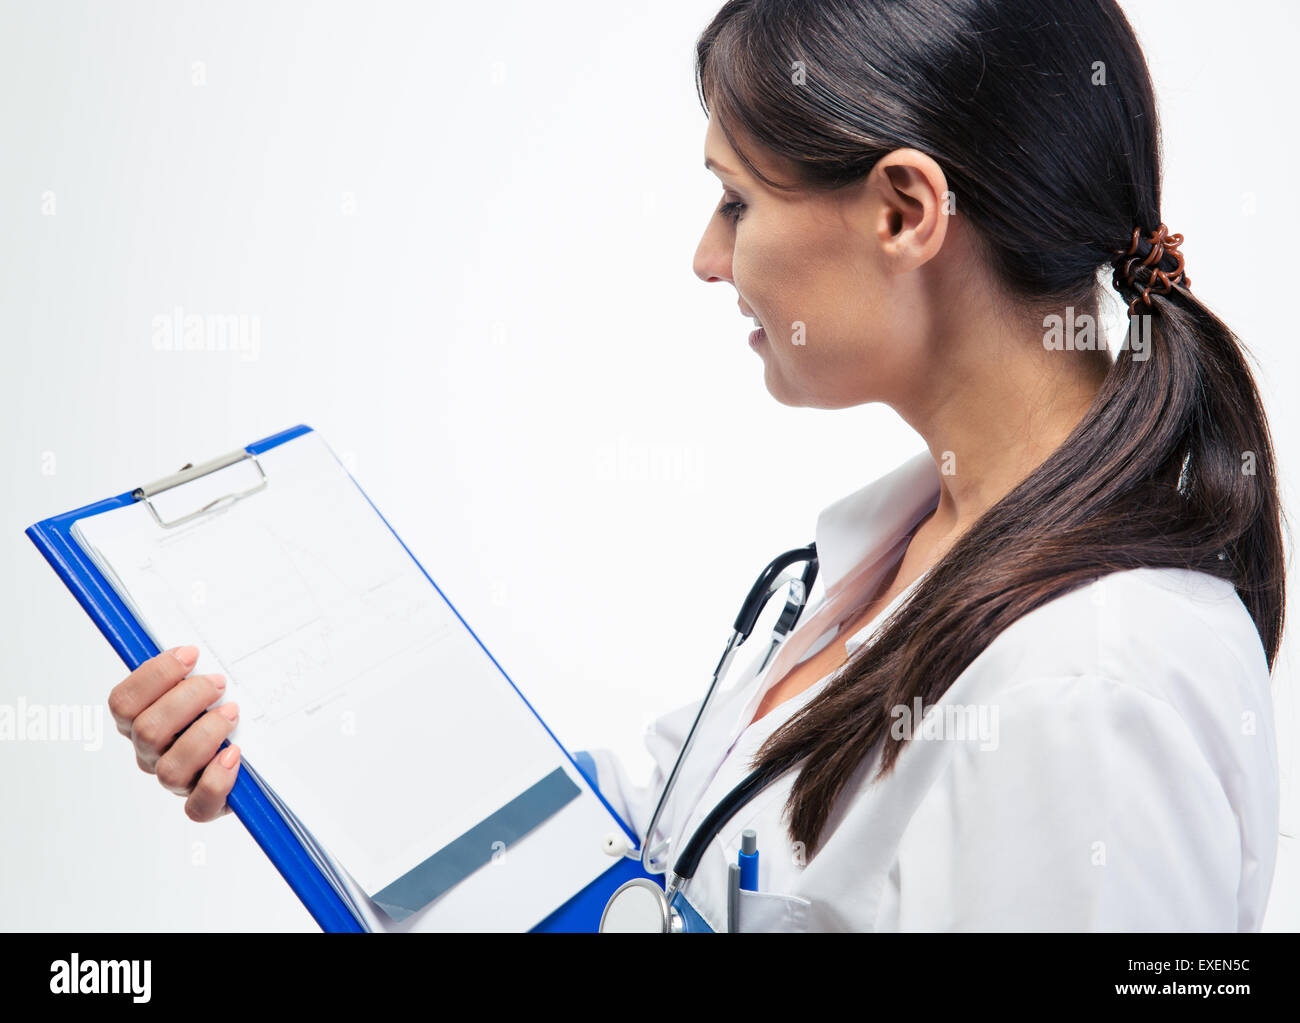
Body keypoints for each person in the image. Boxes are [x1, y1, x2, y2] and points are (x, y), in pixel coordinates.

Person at [107, 0, 1286, 931]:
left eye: (735, 200)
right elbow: (651, 836)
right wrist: (299, 750)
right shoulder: (909, 547)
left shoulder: (1096, 682)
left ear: (904, 211)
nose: (706, 258)